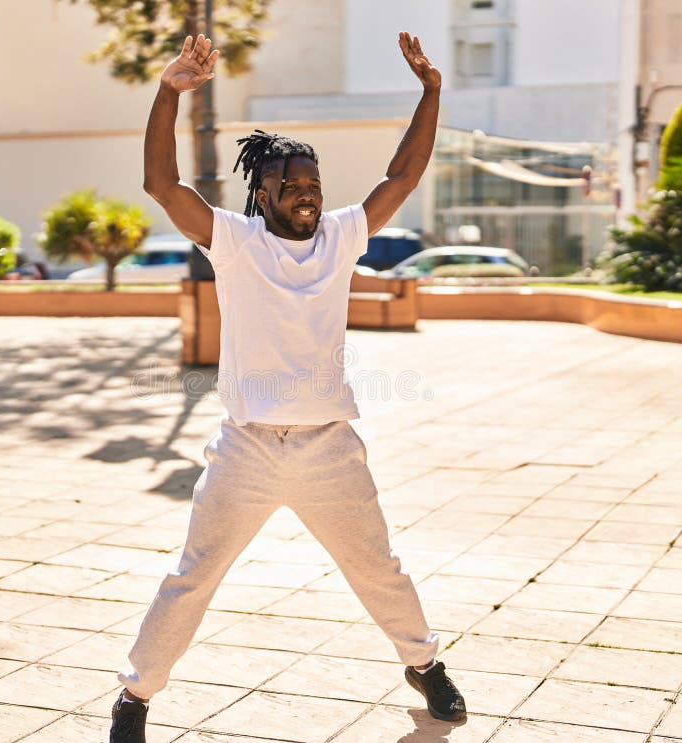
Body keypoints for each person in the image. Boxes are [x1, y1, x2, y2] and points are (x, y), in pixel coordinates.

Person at [109, 31, 466, 743]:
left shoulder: (342, 236)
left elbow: (401, 176)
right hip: (246, 448)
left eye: (313, 186)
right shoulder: (235, 242)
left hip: (328, 446)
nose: (306, 196)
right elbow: (162, 186)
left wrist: (431, 92)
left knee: (378, 568)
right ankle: (135, 697)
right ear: (262, 193)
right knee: (193, 576)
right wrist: (168, 93)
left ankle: (424, 664)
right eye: (292, 187)